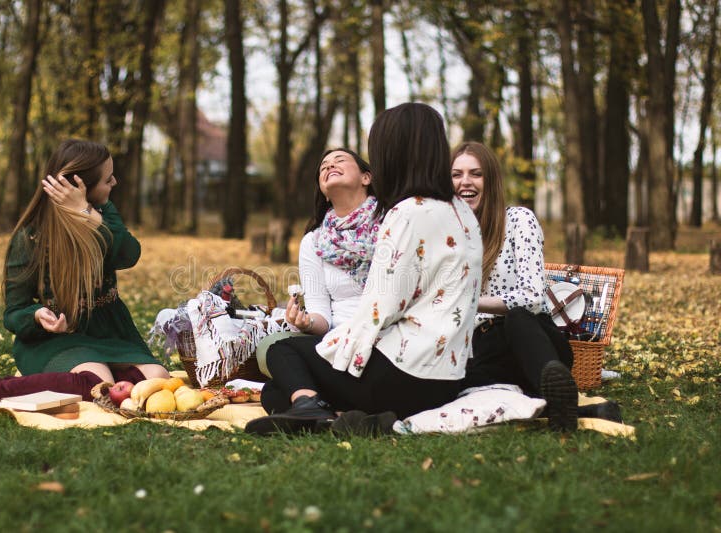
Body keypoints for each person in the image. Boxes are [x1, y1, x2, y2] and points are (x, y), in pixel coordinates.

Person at [245, 103, 483, 435]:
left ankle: (314, 409)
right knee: (278, 389)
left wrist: (331, 348)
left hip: (406, 373)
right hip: (449, 376)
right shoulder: (462, 212)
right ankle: (352, 416)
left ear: (392, 153)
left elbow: (379, 311)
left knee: (285, 351)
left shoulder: (404, 214)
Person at [0, 139, 169, 403]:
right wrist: (38, 316)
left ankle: (93, 377)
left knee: (158, 380)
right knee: (98, 384)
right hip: (57, 339)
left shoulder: (104, 213)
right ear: (81, 186)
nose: (114, 182)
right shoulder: (32, 238)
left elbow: (129, 255)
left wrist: (87, 214)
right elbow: (14, 312)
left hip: (111, 331)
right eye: (108, 179)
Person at [451, 141, 580, 431]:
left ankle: (557, 394)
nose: (465, 182)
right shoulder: (448, 235)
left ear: (492, 180)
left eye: (476, 174)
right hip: (482, 351)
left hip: (533, 341)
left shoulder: (518, 220)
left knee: (517, 318)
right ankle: (547, 403)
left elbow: (533, 297)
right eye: (456, 175)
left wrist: (468, 300)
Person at [254, 148, 378, 394]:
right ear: (323, 191)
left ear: (366, 177)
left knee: (277, 394)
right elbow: (321, 313)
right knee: (270, 352)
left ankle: (313, 400)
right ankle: (325, 400)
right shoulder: (314, 241)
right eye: (324, 167)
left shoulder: (392, 223)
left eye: (340, 160)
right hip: (336, 340)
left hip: (384, 336)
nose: (330, 165)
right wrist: (307, 322)